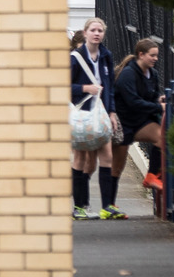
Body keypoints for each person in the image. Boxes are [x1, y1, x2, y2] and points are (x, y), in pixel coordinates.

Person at [70, 17, 120, 219]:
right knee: (80, 157)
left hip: (101, 113)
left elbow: (110, 87)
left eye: (100, 30)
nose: (97, 33)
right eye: (93, 30)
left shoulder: (106, 56)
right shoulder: (75, 58)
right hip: (82, 114)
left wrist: (112, 112)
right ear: (86, 32)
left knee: (107, 155)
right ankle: (80, 207)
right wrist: (84, 88)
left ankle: (107, 206)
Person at [112, 37, 167, 194]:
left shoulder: (153, 74)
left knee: (161, 137)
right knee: (117, 167)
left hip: (141, 122)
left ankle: (151, 175)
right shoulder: (127, 74)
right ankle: (109, 205)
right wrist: (158, 106)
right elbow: (133, 102)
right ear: (141, 54)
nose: (155, 59)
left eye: (156, 55)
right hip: (124, 124)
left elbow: (152, 95)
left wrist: (159, 99)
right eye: (152, 55)